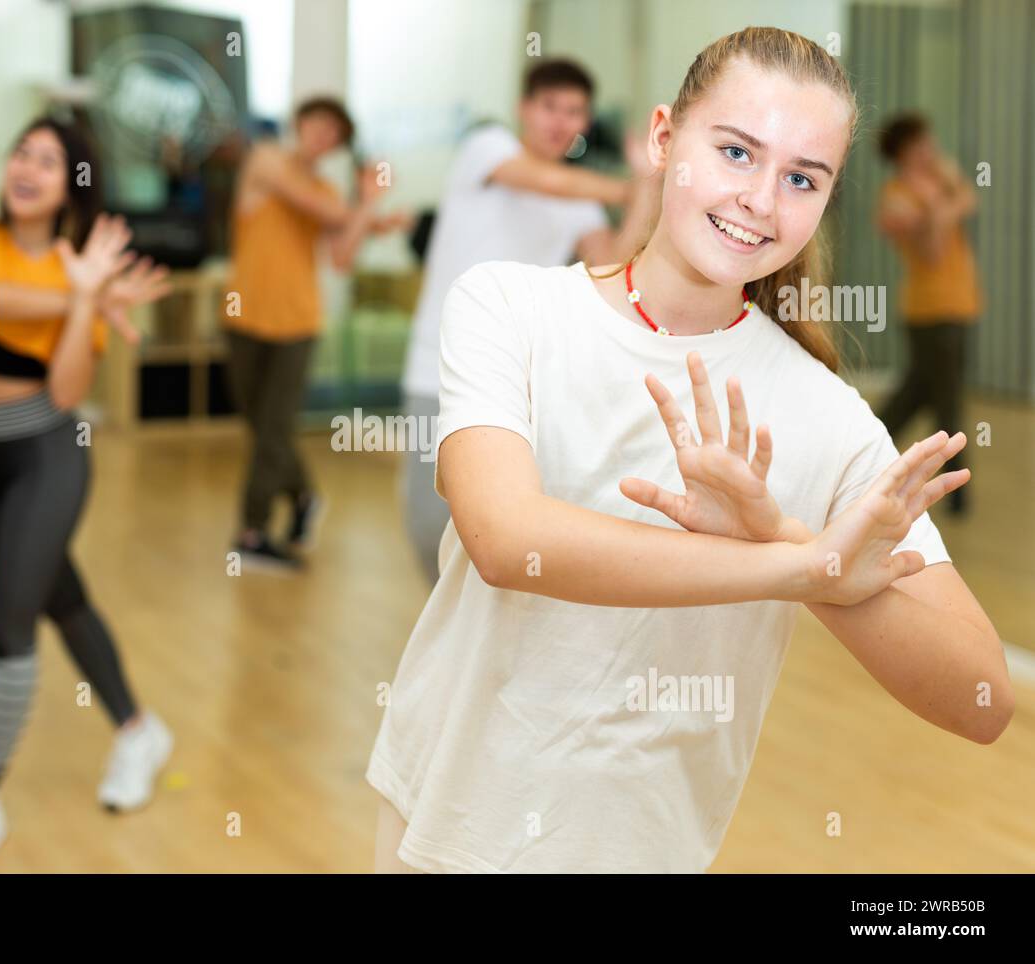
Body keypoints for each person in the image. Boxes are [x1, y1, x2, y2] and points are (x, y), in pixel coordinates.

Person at [367, 27, 1012, 874]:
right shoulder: (507, 307)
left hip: (641, 850)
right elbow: (505, 539)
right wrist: (806, 566)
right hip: (442, 825)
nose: (760, 199)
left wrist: (776, 532)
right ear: (664, 138)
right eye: (737, 152)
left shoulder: (829, 414)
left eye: (801, 178)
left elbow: (982, 697)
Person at [0, 118, 173, 871]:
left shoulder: (80, 277)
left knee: (11, 613)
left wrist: (83, 303)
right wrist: (80, 297)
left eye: (50, 161)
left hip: (46, 455)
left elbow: (66, 391)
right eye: (22, 151)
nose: (28, 167)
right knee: (62, 598)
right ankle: (139, 731)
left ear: (73, 187)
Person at [400, 59, 659, 584]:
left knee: (504, 522)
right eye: (550, 107)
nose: (561, 122)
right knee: (429, 526)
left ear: (586, 122)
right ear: (525, 109)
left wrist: (648, 186)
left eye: (575, 111)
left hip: (522, 380)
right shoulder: (489, 147)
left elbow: (612, 267)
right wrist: (625, 189)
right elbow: (540, 180)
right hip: (438, 367)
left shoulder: (580, 200)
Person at [223, 95, 406, 569]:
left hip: (298, 322)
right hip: (243, 316)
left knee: (274, 430)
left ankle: (253, 530)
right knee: (260, 426)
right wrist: (369, 210)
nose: (323, 138)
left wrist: (368, 210)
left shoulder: (327, 191)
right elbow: (323, 213)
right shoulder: (266, 160)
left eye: (334, 135)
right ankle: (304, 495)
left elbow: (342, 256)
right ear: (300, 123)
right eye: (319, 126)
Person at [874, 112, 981, 515]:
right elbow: (933, 249)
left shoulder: (936, 185)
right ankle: (958, 493)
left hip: (959, 305)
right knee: (947, 402)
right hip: (932, 312)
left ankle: (868, 450)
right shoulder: (897, 196)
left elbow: (971, 197)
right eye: (922, 142)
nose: (931, 148)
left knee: (917, 393)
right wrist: (941, 204)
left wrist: (945, 198)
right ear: (904, 152)